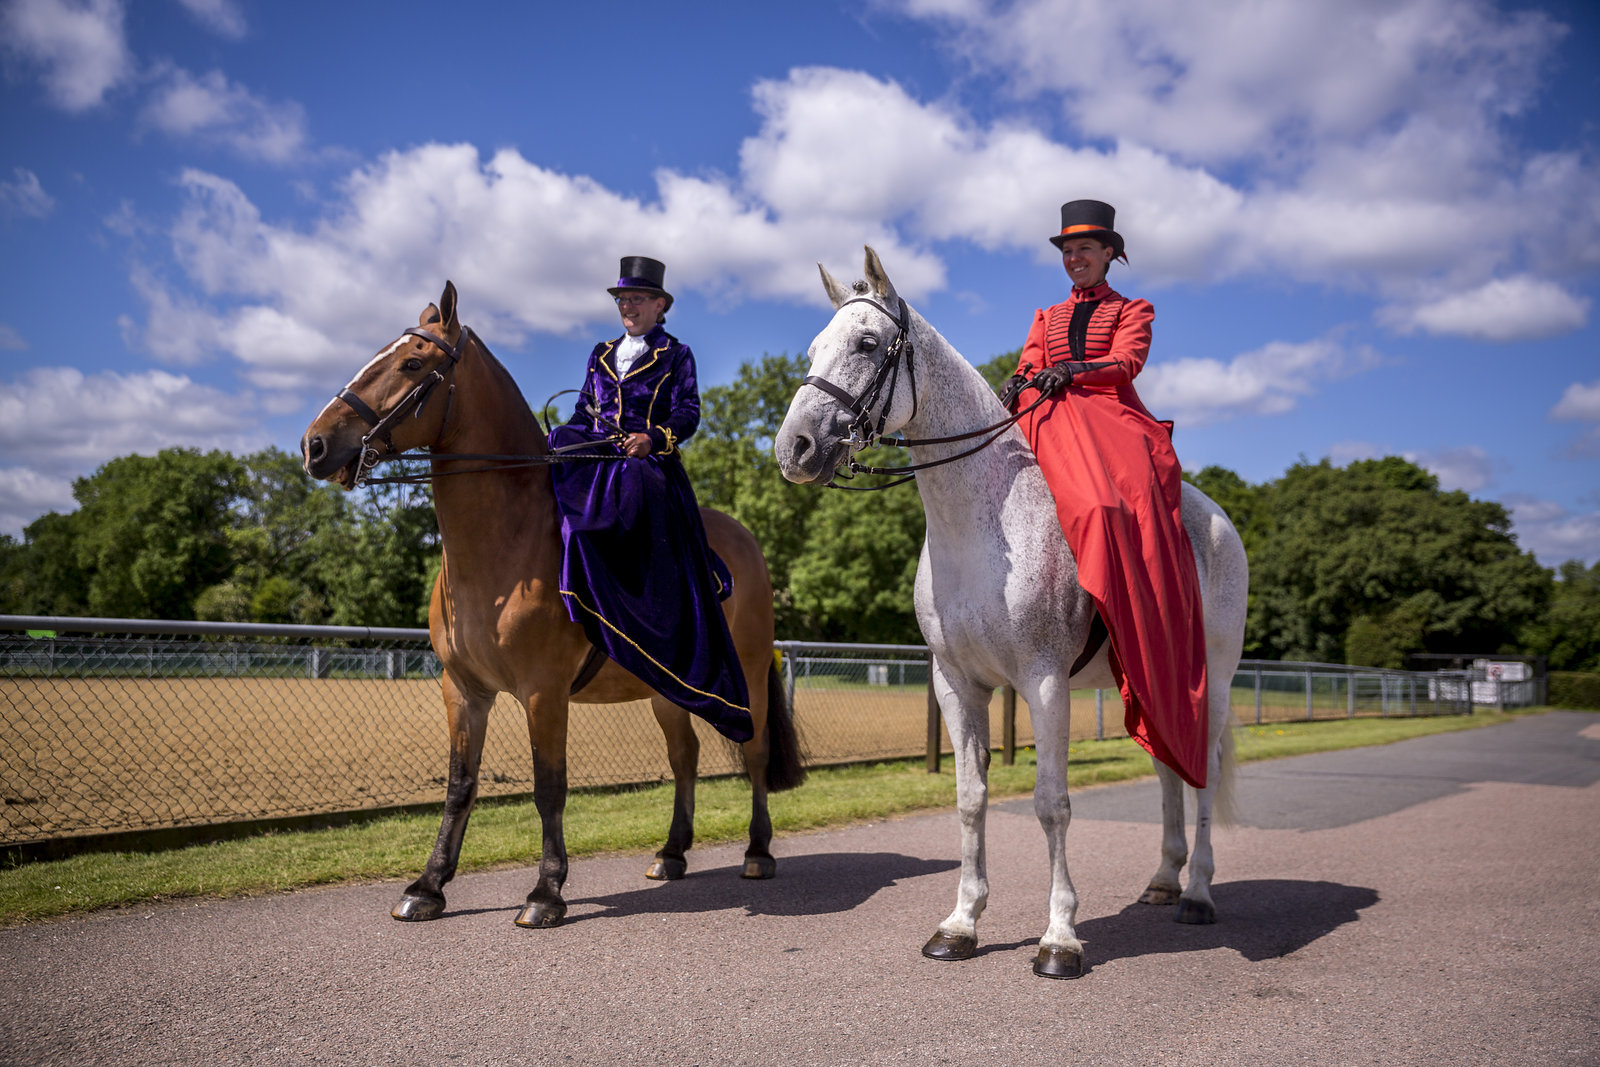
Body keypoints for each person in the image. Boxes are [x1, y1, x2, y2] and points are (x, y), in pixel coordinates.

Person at [1006, 200, 1211, 788]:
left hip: (1106, 414)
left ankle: (1121, 599)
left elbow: (1126, 364)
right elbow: (1030, 361)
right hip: (1043, 412)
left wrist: (1073, 372)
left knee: (1102, 504)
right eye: (1068, 252)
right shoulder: (1045, 314)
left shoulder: (1133, 308)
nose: (1075, 259)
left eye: (1085, 251)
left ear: (1109, 255)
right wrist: (1022, 379)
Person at [547, 256, 753, 742]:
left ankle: (640, 602)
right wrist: (566, 439)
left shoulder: (677, 355)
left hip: (648, 462)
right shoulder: (600, 353)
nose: (627, 306)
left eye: (636, 299)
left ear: (660, 305)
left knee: (636, 481)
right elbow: (583, 409)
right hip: (600, 453)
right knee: (556, 440)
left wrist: (655, 438)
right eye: (622, 300)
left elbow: (689, 412)